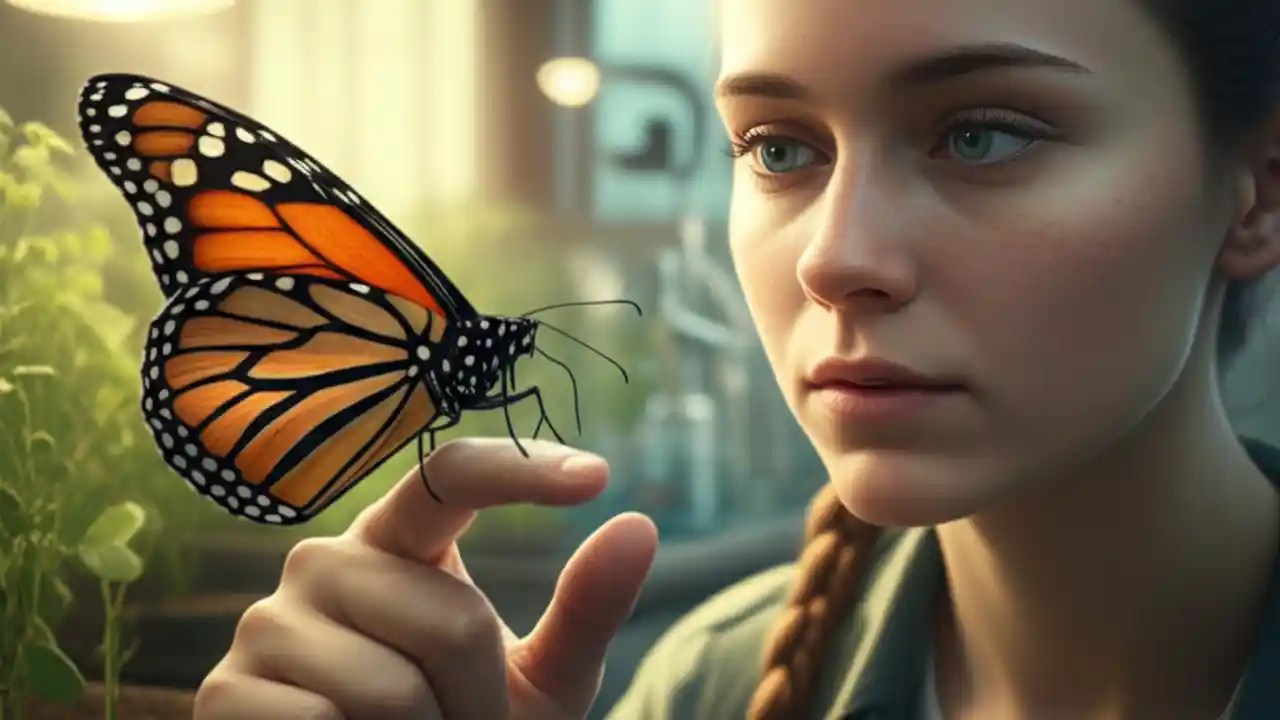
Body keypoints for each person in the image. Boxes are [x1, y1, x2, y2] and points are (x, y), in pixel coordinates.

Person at [191, 0, 1280, 717]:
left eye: (981, 135)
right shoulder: (703, 688)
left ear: (1258, 194)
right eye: (779, 148)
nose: (833, 259)